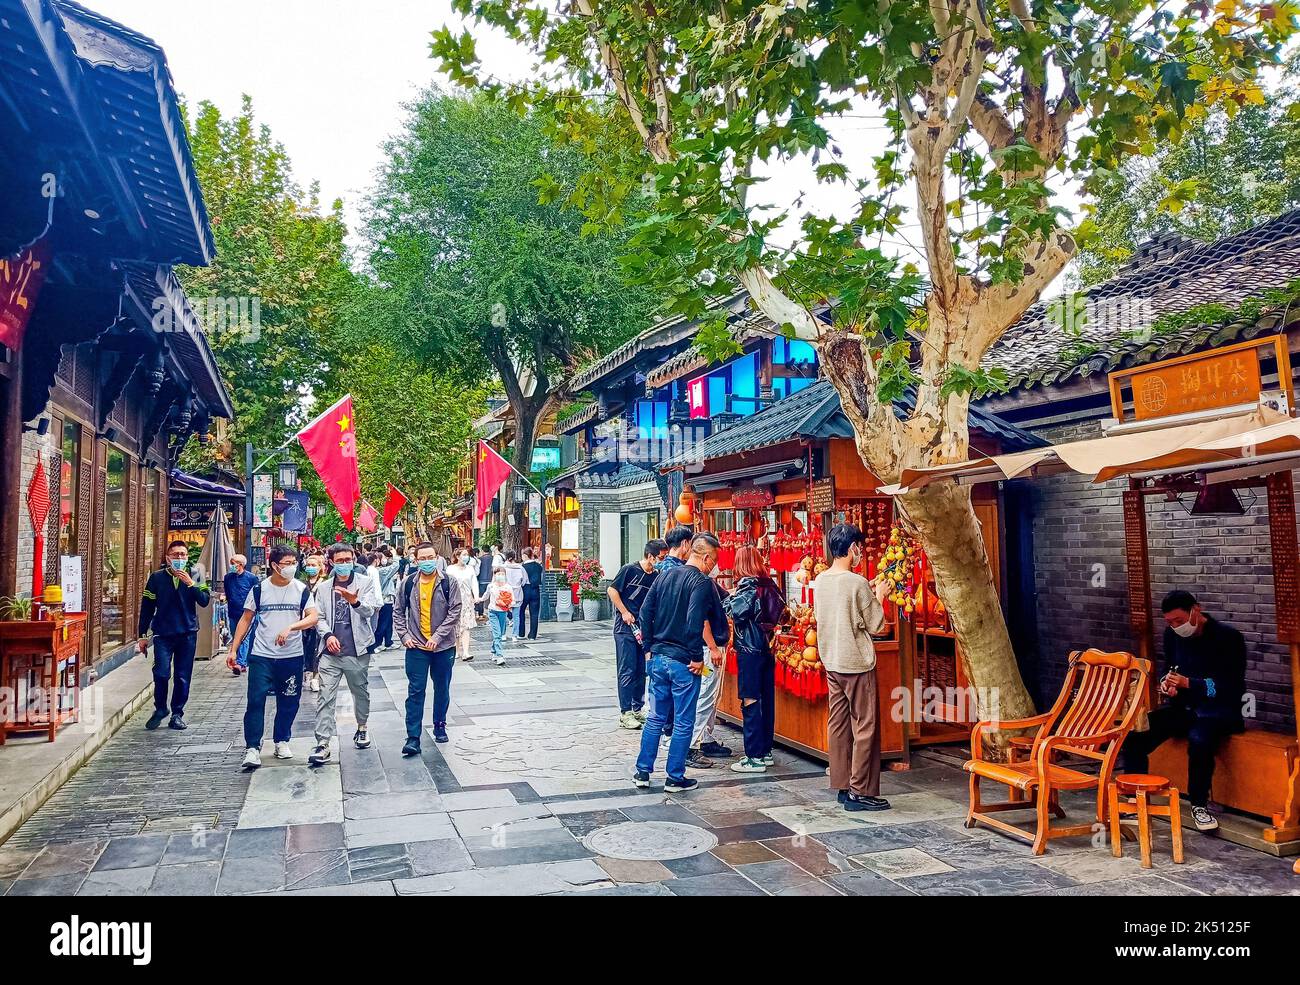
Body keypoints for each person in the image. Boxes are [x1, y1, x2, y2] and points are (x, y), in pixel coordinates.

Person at [1121, 590, 1246, 832]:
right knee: (1136, 733)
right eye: (1169, 622)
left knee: (1199, 739)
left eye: (1179, 621)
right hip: (1185, 708)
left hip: (1219, 711)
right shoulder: (1172, 636)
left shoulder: (1228, 638)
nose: (1175, 626)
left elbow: (1232, 687)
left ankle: (1199, 805)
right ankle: (1135, 800)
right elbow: (1172, 668)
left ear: (1195, 610)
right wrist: (1169, 685)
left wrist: (1190, 684)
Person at [632, 532, 726, 793]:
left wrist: (648, 648)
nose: (713, 566)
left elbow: (645, 611)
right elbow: (694, 619)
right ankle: (675, 776)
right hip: (683, 660)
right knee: (684, 721)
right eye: (714, 560)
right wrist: (697, 657)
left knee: (655, 717)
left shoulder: (664, 575)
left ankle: (643, 771)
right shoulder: (701, 582)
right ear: (705, 557)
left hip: (659, 657)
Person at [814, 523, 892, 812]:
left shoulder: (821, 580)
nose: (860, 552)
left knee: (838, 725)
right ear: (852, 549)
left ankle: (842, 784)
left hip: (831, 659)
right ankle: (862, 790)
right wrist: (880, 594)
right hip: (857, 662)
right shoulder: (857, 582)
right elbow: (877, 624)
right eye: (858, 547)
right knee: (866, 726)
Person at [227, 546, 319, 770]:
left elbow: (313, 617)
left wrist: (291, 627)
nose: (291, 567)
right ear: (275, 566)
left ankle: (282, 740)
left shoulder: (301, 589)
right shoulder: (259, 590)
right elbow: (245, 620)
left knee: (289, 701)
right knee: (256, 700)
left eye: (293, 562)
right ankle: (252, 747)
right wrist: (233, 649)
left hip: (292, 656)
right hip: (262, 655)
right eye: (287, 563)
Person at [307, 543, 382, 765]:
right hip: (330, 653)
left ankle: (362, 727)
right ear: (331, 562)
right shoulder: (323, 588)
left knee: (360, 692)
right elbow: (318, 616)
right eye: (339, 561)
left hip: (357, 650)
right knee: (325, 696)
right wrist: (328, 635)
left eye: (348, 560)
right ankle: (323, 743)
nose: (344, 564)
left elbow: (370, 610)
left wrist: (355, 601)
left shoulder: (365, 583)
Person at [393, 542, 462, 755]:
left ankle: (439, 724)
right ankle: (413, 736)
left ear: (437, 557)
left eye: (430, 557)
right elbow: (398, 611)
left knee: (442, 687)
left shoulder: (449, 582)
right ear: (416, 559)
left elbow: (455, 611)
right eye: (422, 558)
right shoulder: (407, 583)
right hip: (416, 646)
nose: (426, 561)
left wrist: (437, 637)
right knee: (415, 690)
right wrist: (404, 636)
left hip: (443, 646)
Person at [725, 547, 787, 773]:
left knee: (750, 699)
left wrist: (728, 598)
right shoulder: (770, 585)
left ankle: (754, 756)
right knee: (767, 699)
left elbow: (736, 613)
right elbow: (782, 612)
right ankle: (766, 750)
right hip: (767, 649)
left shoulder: (747, 586)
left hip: (749, 650)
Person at [138, 540, 211, 731]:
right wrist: (142, 635)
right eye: (176, 554)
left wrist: (191, 584)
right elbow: (146, 607)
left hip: (187, 633)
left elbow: (204, 601)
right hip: (163, 633)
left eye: (183, 555)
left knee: (182, 676)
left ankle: (177, 713)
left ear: (187, 557)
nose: (179, 558)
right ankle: (160, 708)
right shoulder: (156, 578)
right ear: (168, 557)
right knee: (161, 673)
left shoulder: (196, 574)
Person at [607, 539, 666, 730]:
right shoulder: (629, 570)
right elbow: (612, 590)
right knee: (627, 669)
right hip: (625, 628)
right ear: (650, 556)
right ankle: (625, 712)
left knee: (642, 670)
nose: (662, 561)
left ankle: (637, 708)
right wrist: (624, 611)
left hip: (645, 629)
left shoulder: (657, 575)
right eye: (660, 557)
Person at [687, 571, 732, 768]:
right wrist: (713, 647)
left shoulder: (707, 582)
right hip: (707, 651)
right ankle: (691, 746)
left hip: (708, 649)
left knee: (712, 695)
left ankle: (705, 738)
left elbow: (727, 596)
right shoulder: (701, 582)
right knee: (706, 695)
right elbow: (701, 618)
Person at [222, 553, 258, 677]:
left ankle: (241, 663)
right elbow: (227, 593)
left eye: (234, 563)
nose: (231, 565)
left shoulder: (251, 578)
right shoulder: (227, 578)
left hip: (247, 613)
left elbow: (256, 594)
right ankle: (237, 659)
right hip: (232, 611)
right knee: (235, 636)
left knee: (244, 637)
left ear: (241, 565)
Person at [446, 549, 480, 661]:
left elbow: (474, 582)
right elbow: (447, 584)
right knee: (455, 626)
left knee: (466, 626)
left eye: (467, 555)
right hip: (454, 600)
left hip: (467, 600)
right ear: (457, 556)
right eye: (464, 555)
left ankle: (466, 652)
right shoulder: (450, 569)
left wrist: (476, 596)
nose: (466, 557)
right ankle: (456, 649)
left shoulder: (470, 569)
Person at [301, 552, 327, 692]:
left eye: (313, 565)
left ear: (320, 567)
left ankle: (316, 677)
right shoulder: (301, 583)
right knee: (304, 648)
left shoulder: (325, 583)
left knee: (317, 649)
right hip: (303, 621)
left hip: (318, 621)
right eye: (308, 565)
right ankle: (306, 674)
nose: (310, 567)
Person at [480, 562, 513, 665]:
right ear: (494, 575)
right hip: (493, 612)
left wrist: (510, 604)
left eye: (502, 574)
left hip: (503, 612)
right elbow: (486, 596)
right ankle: (499, 655)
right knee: (497, 634)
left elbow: (512, 599)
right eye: (498, 574)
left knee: (501, 632)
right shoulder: (491, 586)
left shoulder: (508, 587)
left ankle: (494, 651)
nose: (500, 576)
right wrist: (480, 599)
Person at [369, 547, 399, 654]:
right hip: (384, 600)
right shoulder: (380, 571)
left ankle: (387, 641)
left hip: (384, 600)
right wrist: (394, 555)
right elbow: (396, 566)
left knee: (386, 622)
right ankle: (377, 643)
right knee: (382, 623)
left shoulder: (374, 570)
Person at [520, 547, 544, 640]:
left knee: (521, 611)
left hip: (525, 589)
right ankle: (532, 635)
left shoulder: (522, 567)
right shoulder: (538, 566)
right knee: (534, 613)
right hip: (536, 590)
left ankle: (521, 632)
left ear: (525, 556)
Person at [503, 551, 526, 642]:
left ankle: (503, 634)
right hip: (517, 593)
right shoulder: (520, 568)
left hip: (505, 594)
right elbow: (524, 581)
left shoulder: (503, 568)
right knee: (516, 616)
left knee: (503, 615)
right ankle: (514, 635)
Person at [474, 544, 492, 624]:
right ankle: (491, 614)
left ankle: (481, 614)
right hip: (491, 580)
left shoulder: (479, 559)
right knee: (492, 599)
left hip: (481, 581)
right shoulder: (493, 558)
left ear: (482, 550)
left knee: (481, 598)